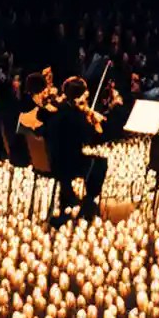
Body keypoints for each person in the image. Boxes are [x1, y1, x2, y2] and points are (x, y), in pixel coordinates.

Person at [44, 76, 107, 224]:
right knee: (100, 164)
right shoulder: (75, 116)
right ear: (78, 97)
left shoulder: (56, 110)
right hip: (67, 164)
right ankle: (88, 202)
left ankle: (68, 194)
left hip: (50, 160)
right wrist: (94, 122)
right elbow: (91, 140)